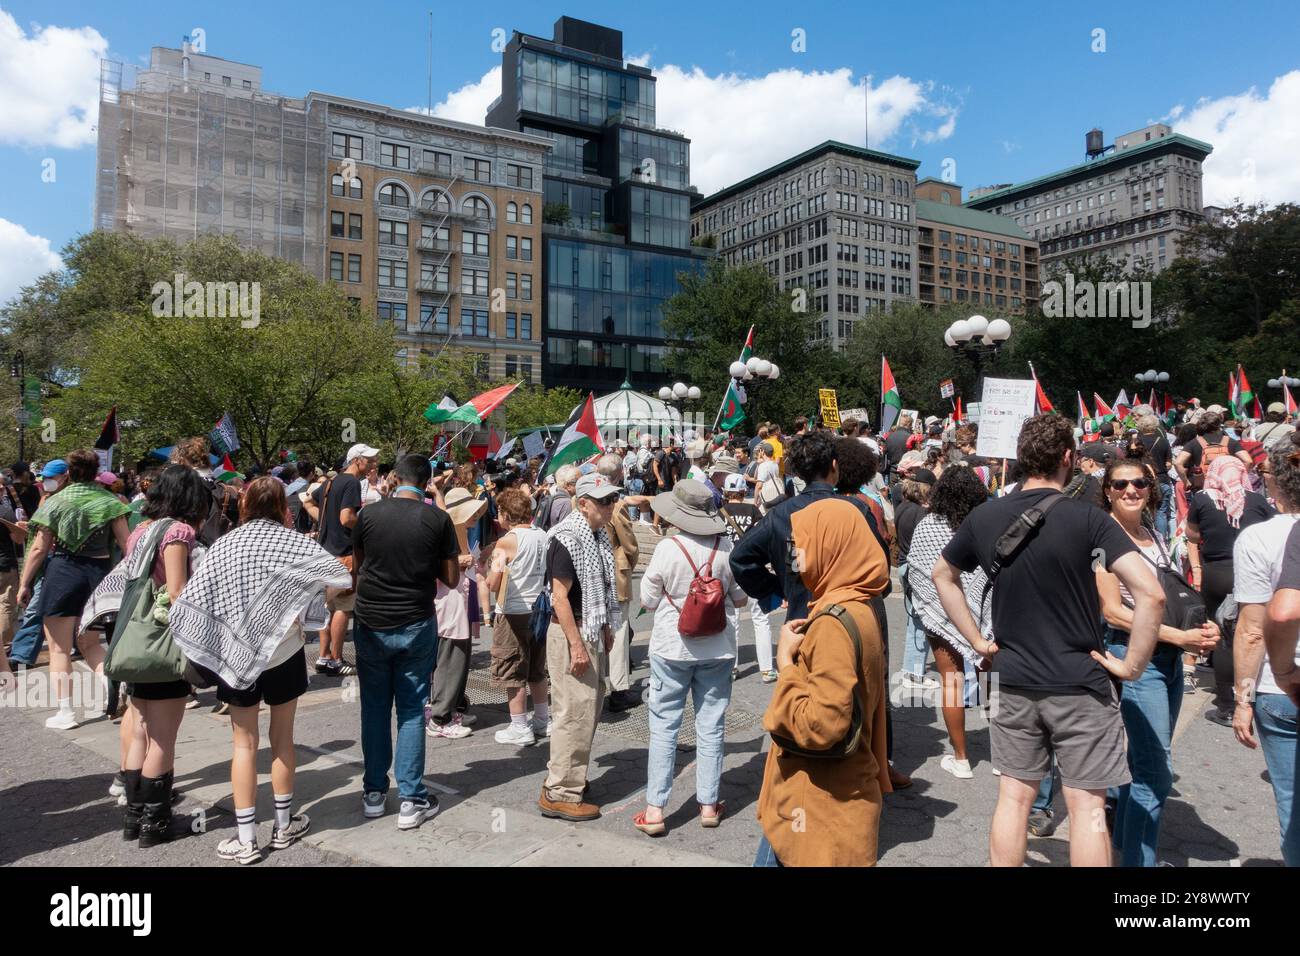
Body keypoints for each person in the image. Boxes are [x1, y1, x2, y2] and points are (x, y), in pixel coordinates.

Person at [932, 414, 1167, 867]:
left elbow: (944, 575)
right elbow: (1151, 594)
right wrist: (1133, 665)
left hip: (1012, 678)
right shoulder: (1090, 520)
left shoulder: (985, 516)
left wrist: (977, 641)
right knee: (1087, 808)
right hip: (1079, 680)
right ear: (1068, 458)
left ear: (1021, 458)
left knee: (1013, 798)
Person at [171, 477, 351, 864]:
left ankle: (245, 837)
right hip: (285, 650)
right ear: (283, 508)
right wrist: (307, 600)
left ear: (245, 505)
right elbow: (339, 578)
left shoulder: (226, 544)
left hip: (236, 653)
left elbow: (193, 597)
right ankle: (283, 826)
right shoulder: (296, 543)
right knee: (283, 739)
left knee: (243, 744)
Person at [1095, 458, 1221, 866]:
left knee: (1141, 763)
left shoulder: (1153, 532)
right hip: (1135, 656)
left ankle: (1128, 845)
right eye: (1120, 484)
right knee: (1156, 773)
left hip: (1166, 659)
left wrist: (1201, 629)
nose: (1130, 491)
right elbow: (1113, 612)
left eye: (1139, 483)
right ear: (1107, 491)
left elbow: (1168, 595)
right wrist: (1176, 636)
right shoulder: (1102, 539)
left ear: (1151, 488)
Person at [754, 497, 892, 866]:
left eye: (806, 542)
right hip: (830, 794)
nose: (798, 554)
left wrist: (785, 663)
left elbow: (821, 724)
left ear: (833, 545)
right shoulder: (862, 604)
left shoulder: (833, 621)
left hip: (814, 800)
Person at [352, 454, 460, 828]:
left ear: (395, 479)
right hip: (415, 620)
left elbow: (359, 564)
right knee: (413, 710)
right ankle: (411, 799)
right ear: (428, 482)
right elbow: (452, 578)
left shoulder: (368, 514)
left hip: (371, 621)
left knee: (375, 707)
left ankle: (374, 792)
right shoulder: (437, 518)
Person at [634, 480, 747, 836]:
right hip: (718, 647)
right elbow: (741, 598)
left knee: (664, 725)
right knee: (711, 725)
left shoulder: (668, 547)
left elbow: (648, 600)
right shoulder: (726, 547)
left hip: (672, 647)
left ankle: (655, 810)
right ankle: (709, 804)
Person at [113, 465, 211, 847]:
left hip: (135, 643)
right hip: (162, 644)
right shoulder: (178, 532)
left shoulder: (140, 529)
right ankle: (156, 823)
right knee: (163, 738)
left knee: (139, 729)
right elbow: (175, 591)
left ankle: (133, 819)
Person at [18, 449, 131, 730]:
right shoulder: (111, 501)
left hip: (63, 574)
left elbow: (39, 548)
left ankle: (66, 712)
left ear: (68, 473)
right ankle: (112, 684)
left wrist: (25, 583)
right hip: (100, 575)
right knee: (91, 642)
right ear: (96, 471)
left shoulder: (55, 503)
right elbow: (127, 545)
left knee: (58, 648)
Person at [537, 473, 622, 822]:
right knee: (575, 712)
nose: (611, 504)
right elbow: (559, 598)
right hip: (570, 632)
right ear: (583, 502)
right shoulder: (568, 537)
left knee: (585, 708)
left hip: (584, 629)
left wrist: (601, 628)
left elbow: (595, 590)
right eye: (603, 500)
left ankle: (565, 780)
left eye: (612, 498)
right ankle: (561, 792)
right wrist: (577, 646)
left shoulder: (596, 535)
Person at [1232, 435, 1300, 866]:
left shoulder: (1258, 538)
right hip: (1281, 687)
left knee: (1293, 804)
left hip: (1281, 687)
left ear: (1274, 485)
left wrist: (1244, 698)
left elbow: (1254, 629)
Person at [906, 466, 992, 777]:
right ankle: (1004, 757)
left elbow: (918, 572)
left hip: (940, 611)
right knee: (991, 679)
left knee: (951, 681)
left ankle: (961, 758)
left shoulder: (928, 525)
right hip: (985, 613)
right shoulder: (986, 523)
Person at [1188, 455, 1275, 725]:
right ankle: (1248, 697)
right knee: (1251, 634)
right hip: (1251, 573)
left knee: (1224, 638)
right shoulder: (1257, 501)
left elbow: (1192, 536)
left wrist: (1197, 569)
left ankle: (1226, 705)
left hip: (1215, 573)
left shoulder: (1202, 499)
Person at [303, 442, 378, 676]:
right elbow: (347, 518)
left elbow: (307, 500)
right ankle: (336, 659)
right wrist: (368, 523)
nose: (373, 463)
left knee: (327, 606)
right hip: (345, 553)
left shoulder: (331, 481)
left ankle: (324, 656)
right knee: (343, 608)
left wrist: (325, 522)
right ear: (357, 460)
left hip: (324, 552)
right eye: (369, 459)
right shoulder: (352, 483)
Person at [486, 488, 551, 746]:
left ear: (505, 514)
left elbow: (494, 582)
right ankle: (543, 719)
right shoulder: (543, 535)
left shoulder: (507, 541)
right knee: (537, 667)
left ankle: (519, 725)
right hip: (539, 608)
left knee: (513, 668)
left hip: (513, 610)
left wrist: (486, 569)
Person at [426, 486, 488, 739]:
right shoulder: (446, 532)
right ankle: (441, 716)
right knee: (452, 657)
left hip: (456, 601)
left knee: (456, 656)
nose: (475, 518)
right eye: (471, 513)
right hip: (449, 602)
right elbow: (437, 566)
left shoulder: (455, 531)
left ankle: (449, 709)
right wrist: (461, 562)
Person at [6, 459, 69, 670]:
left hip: (69, 562)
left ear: (65, 476)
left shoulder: (73, 500)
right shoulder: (45, 500)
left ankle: (82, 643)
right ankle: (21, 655)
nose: (46, 482)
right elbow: (40, 534)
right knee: (34, 609)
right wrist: (29, 526)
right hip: (48, 561)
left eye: (51, 478)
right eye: (45, 478)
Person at [595, 453, 643, 713]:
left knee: (600, 628)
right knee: (619, 631)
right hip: (616, 572)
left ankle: (601, 685)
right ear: (619, 474)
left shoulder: (584, 497)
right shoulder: (616, 503)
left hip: (594, 572)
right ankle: (619, 690)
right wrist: (629, 563)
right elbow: (630, 544)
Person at [720, 474, 774, 681]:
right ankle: (767, 669)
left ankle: (732, 668)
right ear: (744, 492)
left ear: (726, 492)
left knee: (731, 620)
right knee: (761, 619)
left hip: (728, 571)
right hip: (753, 569)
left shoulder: (719, 513)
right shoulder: (753, 511)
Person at [894, 467, 938, 690]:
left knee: (915, 620)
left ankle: (911, 670)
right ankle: (913, 673)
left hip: (905, 565)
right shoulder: (920, 513)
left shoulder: (903, 507)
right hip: (915, 569)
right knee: (919, 622)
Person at [1175, 410, 1254, 488]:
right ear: (1219, 425)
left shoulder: (1194, 443)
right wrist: (1237, 478)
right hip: (1227, 487)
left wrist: (1186, 482)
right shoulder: (1230, 441)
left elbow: (1177, 463)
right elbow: (1248, 461)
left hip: (1205, 488)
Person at [883, 413, 914, 481]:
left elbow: (884, 452)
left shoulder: (890, 436)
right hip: (907, 471)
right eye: (911, 425)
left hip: (893, 469)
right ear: (908, 424)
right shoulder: (911, 437)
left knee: (893, 490)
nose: (912, 427)